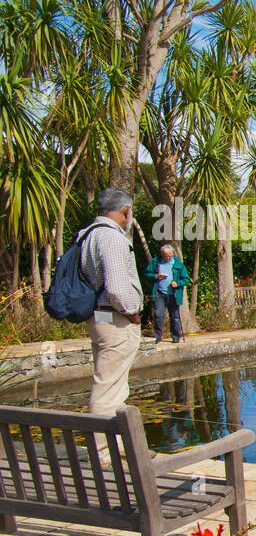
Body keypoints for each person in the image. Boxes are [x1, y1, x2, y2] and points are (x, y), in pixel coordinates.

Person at [80, 187, 143, 457]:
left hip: (97, 317)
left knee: (109, 382)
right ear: (126, 211)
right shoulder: (113, 238)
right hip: (115, 319)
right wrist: (133, 312)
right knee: (109, 390)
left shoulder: (86, 235)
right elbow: (117, 288)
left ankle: (115, 449)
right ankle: (106, 455)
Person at [144, 244, 190, 344]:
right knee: (158, 314)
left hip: (173, 294)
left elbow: (186, 279)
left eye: (170, 256)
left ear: (173, 254)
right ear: (162, 254)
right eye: (166, 256)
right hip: (160, 293)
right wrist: (156, 276)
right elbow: (147, 273)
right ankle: (157, 335)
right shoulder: (156, 262)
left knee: (175, 316)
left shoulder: (178, 264)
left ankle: (175, 336)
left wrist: (177, 283)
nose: (168, 258)